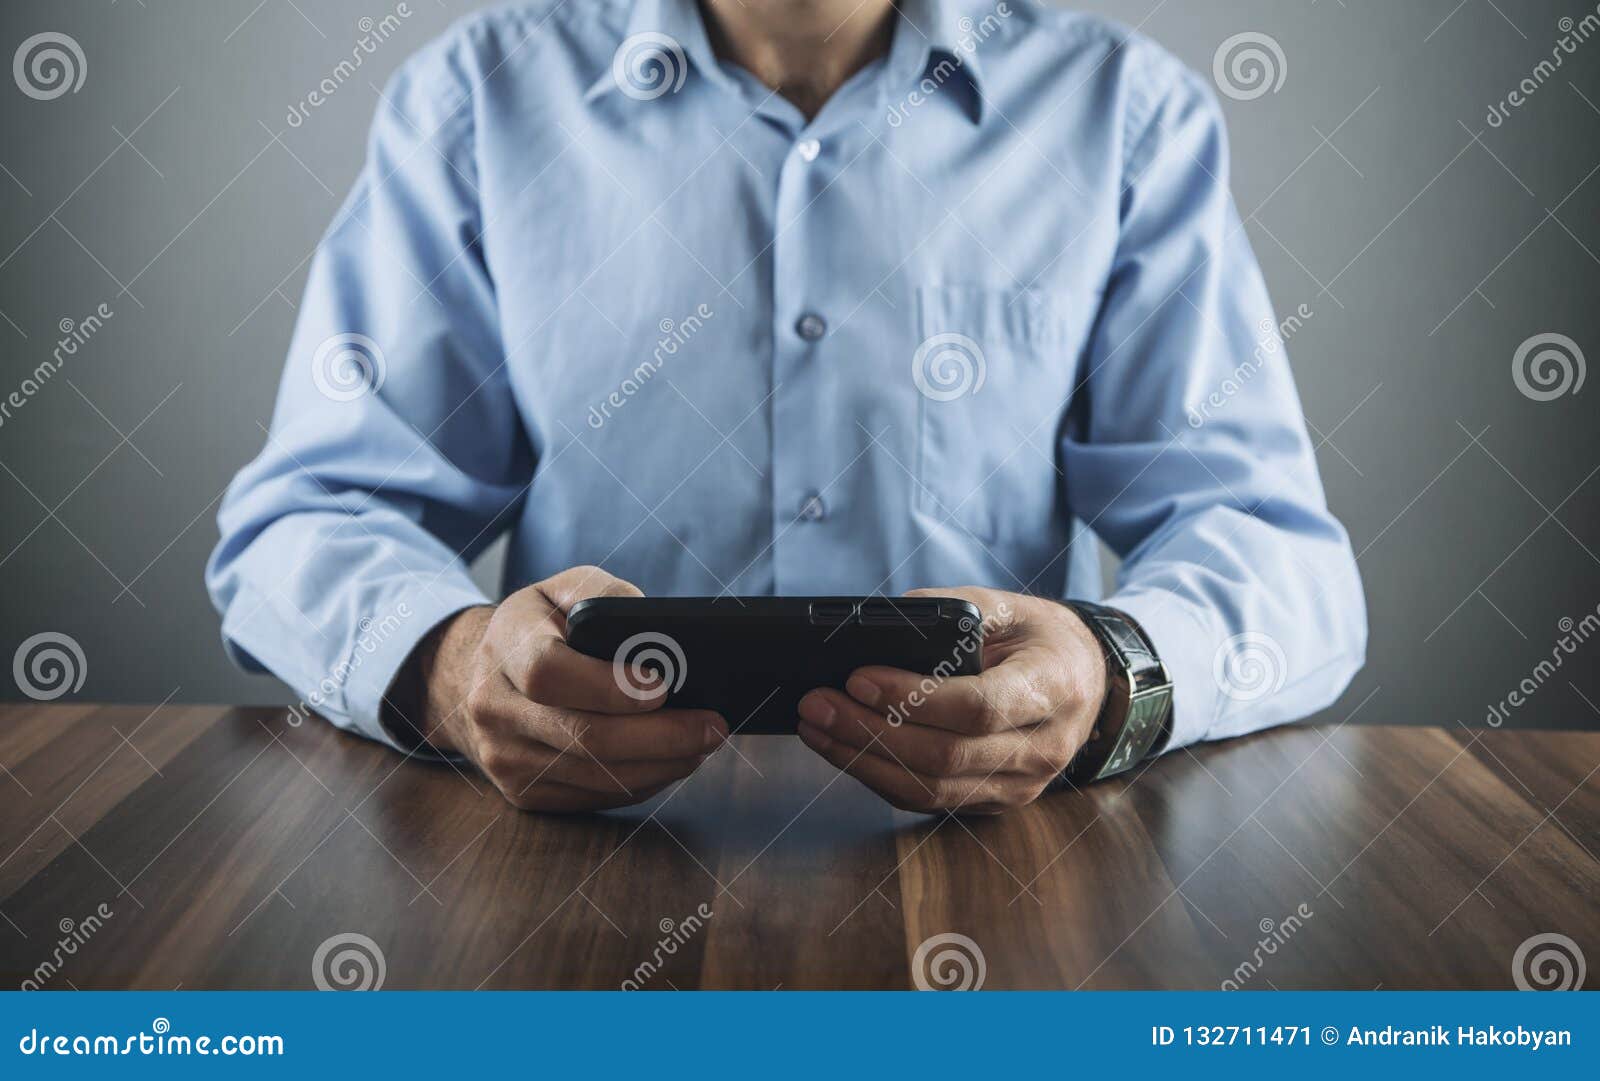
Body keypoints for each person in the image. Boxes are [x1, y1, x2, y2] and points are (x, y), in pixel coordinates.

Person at [207, 0, 1366, 814]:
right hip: (577, 878)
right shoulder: (475, 103)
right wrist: (455, 670)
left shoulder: (1124, 117)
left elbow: (1272, 549)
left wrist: (1113, 676)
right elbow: (309, 518)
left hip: (998, 879)